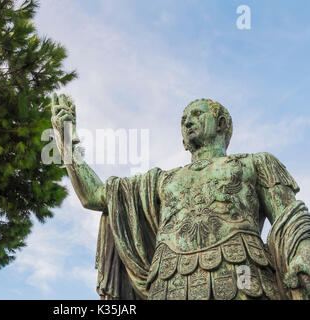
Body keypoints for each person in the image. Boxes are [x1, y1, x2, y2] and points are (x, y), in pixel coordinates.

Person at [51, 94, 310, 300]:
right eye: (183, 118)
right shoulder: (161, 181)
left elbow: (291, 220)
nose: (187, 122)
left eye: (197, 114)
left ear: (221, 124)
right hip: (169, 284)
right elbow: (94, 196)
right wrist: (65, 141)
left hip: (243, 277)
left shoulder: (254, 163)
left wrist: (303, 253)